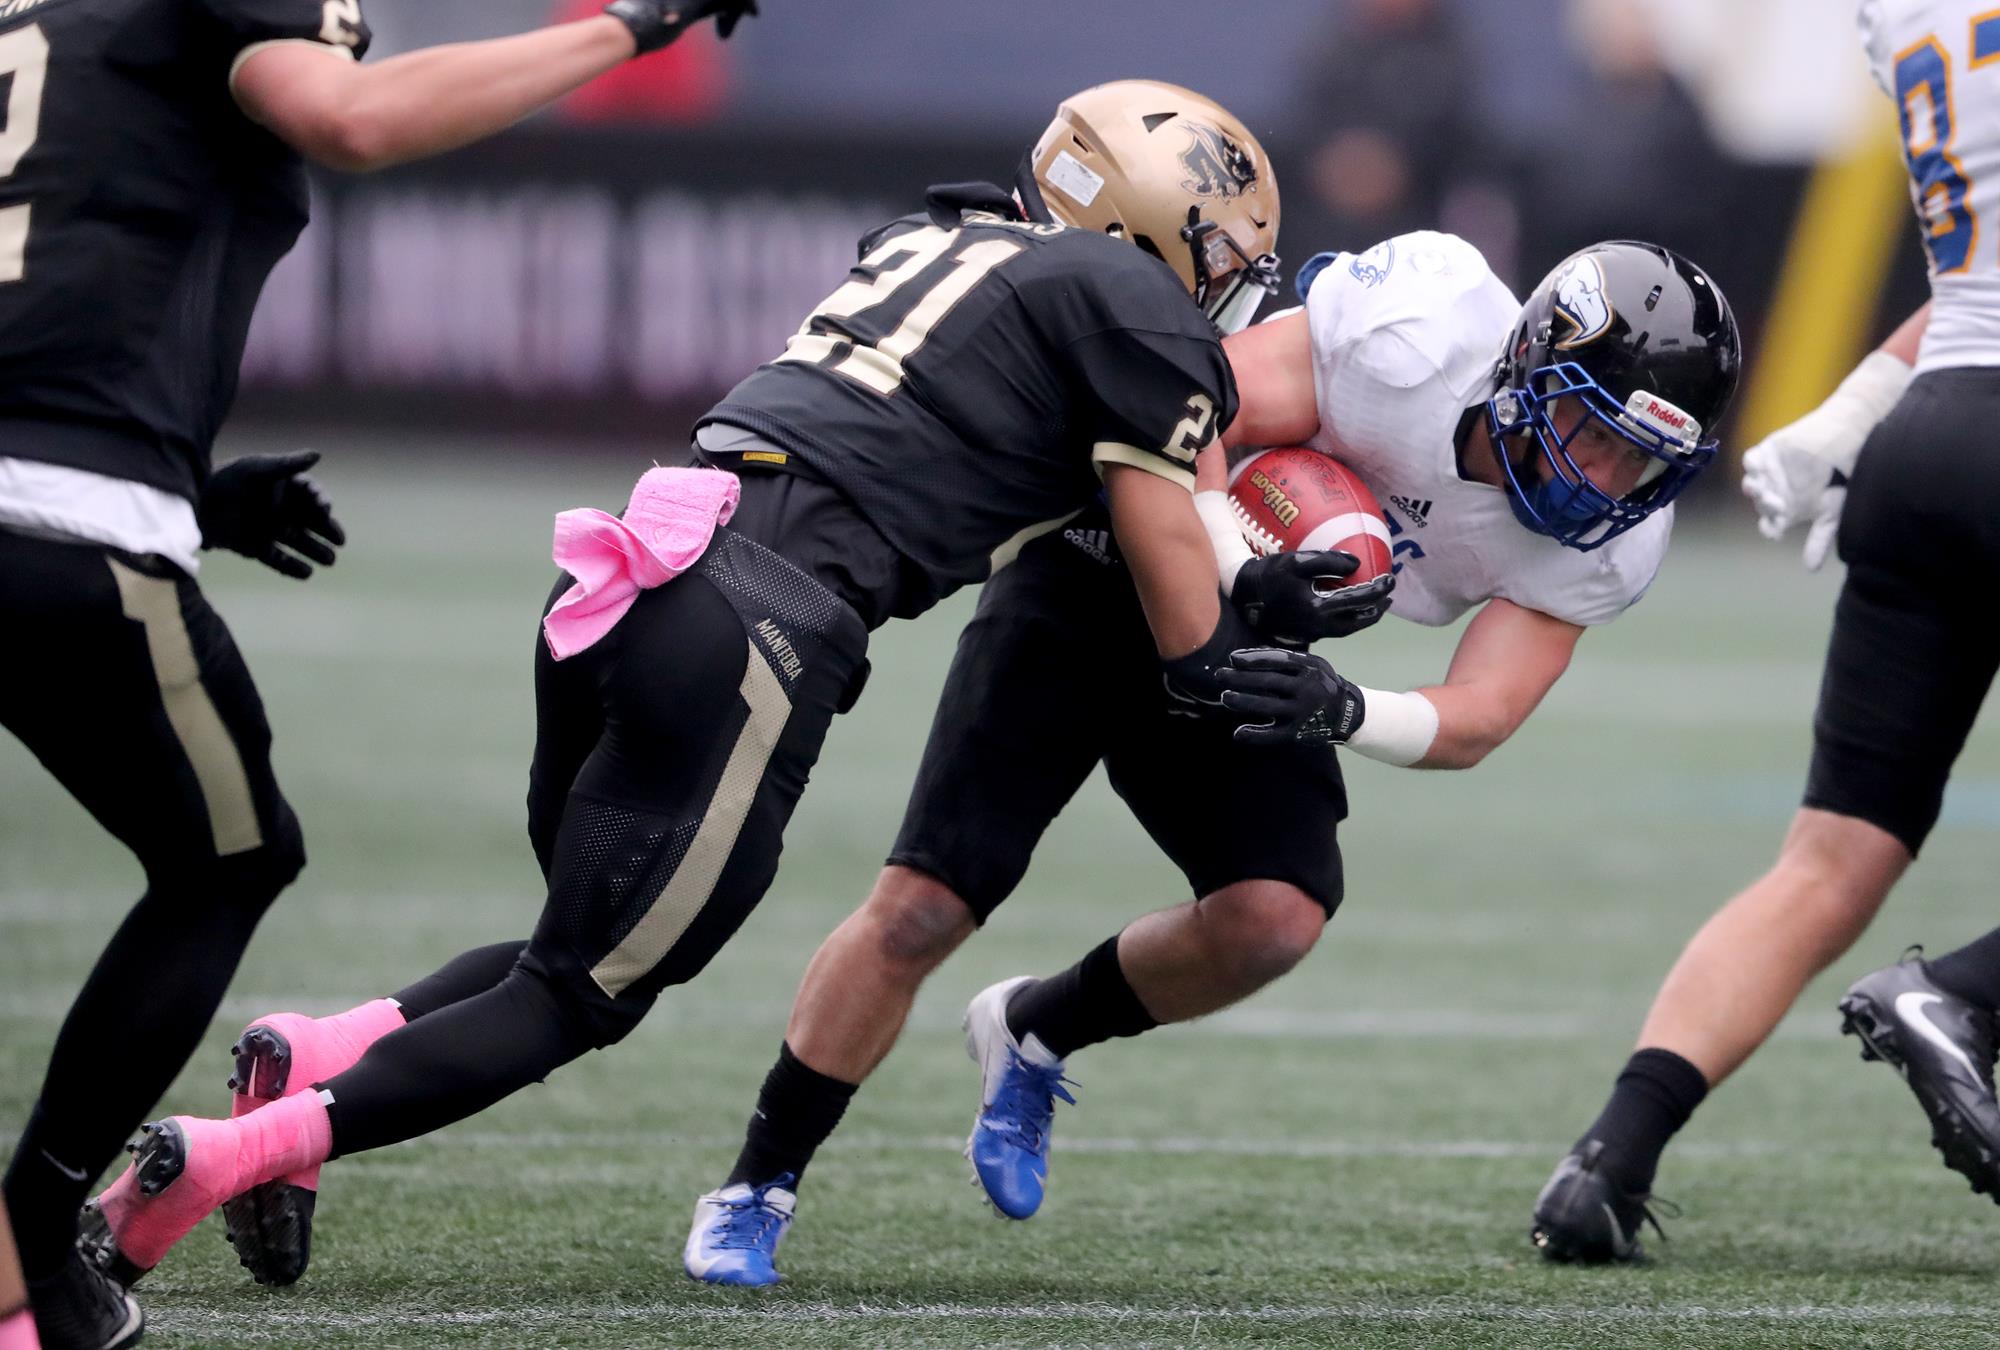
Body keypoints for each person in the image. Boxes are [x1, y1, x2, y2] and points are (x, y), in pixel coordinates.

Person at [77, 77, 1286, 1297]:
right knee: (577, 997)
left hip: (634, 564)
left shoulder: (944, 240)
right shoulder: (1128, 300)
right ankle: (227, 1157)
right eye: (1221, 248)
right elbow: (1181, 613)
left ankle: (311, 1047)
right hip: (756, 623)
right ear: (1144, 223)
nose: (1231, 279)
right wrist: (1264, 651)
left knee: (575, 938)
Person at [669, 226, 1745, 1285]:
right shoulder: (1415, 336)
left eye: (1638, 461)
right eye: (1590, 429)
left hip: (1256, 638)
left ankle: (1032, 1030)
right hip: (1108, 557)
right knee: (924, 906)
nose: (1600, 478)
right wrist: (1234, 555)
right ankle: (757, 1184)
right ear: (1526, 363)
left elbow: (1481, 712)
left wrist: (1340, 707)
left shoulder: (1601, 547)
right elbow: (1176, 405)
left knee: (1272, 916)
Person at [0, 0, 758, 1344]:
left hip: (65, 477)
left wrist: (178, 491)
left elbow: (71, 244)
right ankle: (26, 1258)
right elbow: (349, 117)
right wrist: (629, 27)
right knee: (227, 859)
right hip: (57, 513)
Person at [1529, 0, 2000, 1265]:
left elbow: (1974, 287)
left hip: (1930, 430)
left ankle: (1606, 1160)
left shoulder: (1907, 16)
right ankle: (1961, 991)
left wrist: (1849, 411)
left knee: (1825, 860)